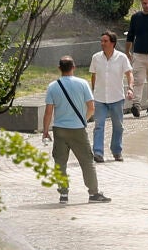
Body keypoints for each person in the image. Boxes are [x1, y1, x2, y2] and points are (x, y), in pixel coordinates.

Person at [42, 56, 111, 204]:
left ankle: (63, 194)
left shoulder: (53, 86)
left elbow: (48, 112)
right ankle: (93, 193)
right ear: (74, 67)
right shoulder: (83, 84)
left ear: (59, 68)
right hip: (78, 129)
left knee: (60, 163)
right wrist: (83, 120)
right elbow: (92, 108)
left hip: (59, 129)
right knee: (87, 161)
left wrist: (45, 131)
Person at [89, 31, 134, 162]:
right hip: (100, 98)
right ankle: (98, 153)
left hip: (117, 97)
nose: (102, 43)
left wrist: (130, 88)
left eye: (105, 41)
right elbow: (93, 75)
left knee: (118, 126)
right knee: (99, 125)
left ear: (112, 43)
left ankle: (116, 151)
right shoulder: (96, 57)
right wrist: (94, 91)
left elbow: (129, 74)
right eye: (101, 41)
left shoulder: (122, 58)